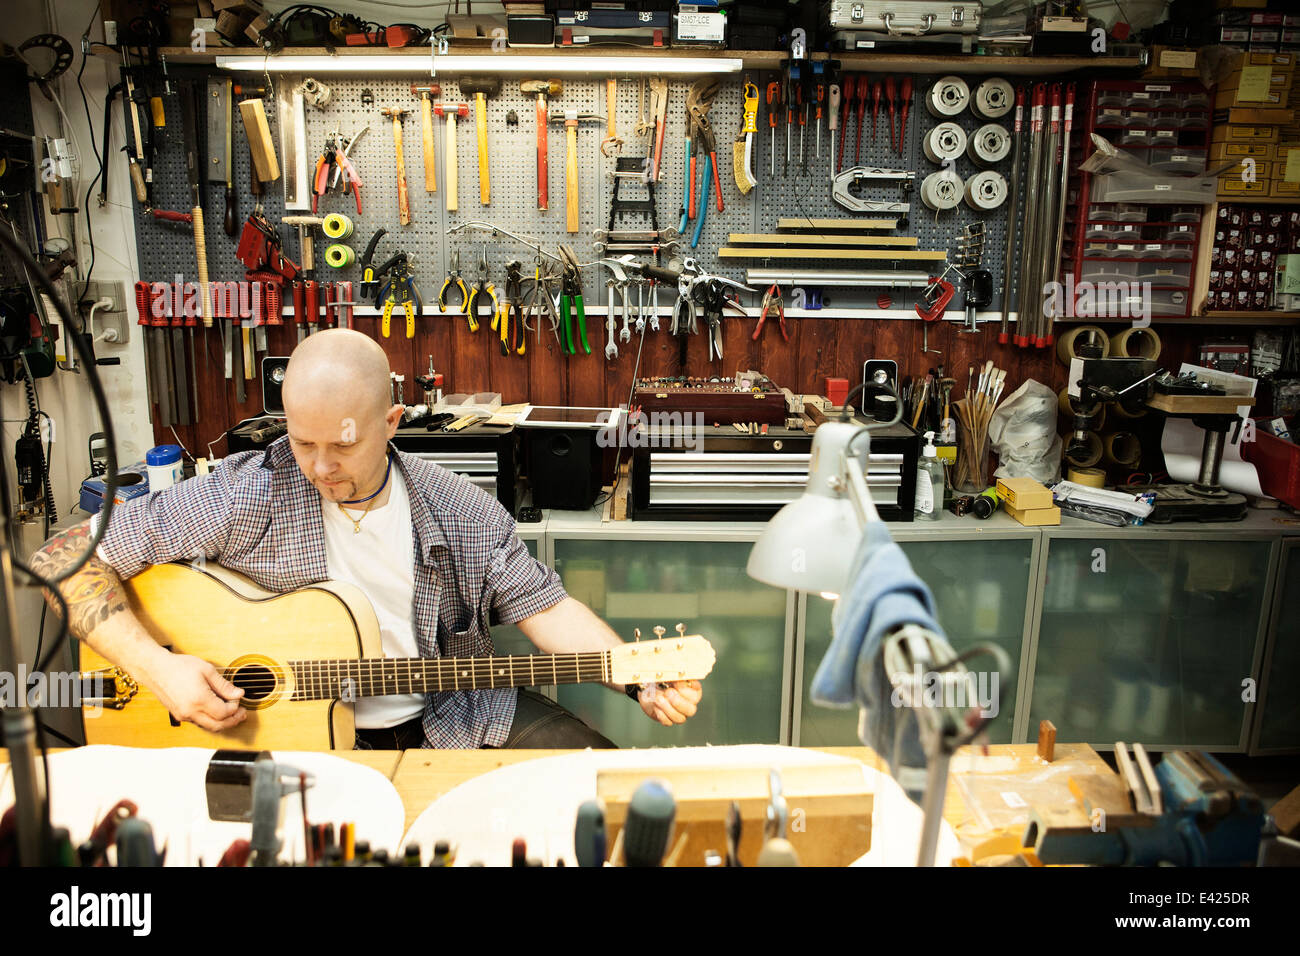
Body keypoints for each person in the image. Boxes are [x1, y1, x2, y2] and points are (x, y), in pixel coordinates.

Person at [31, 329, 703, 749]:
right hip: (284, 739)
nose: (320, 468)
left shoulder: (460, 512)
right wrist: (160, 668)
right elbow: (59, 558)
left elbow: (546, 608)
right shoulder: (247, 491)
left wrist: (635, 678)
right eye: (302, 444)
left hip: (455, 717)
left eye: (341, 446)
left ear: (391, 422)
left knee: (593, 788)